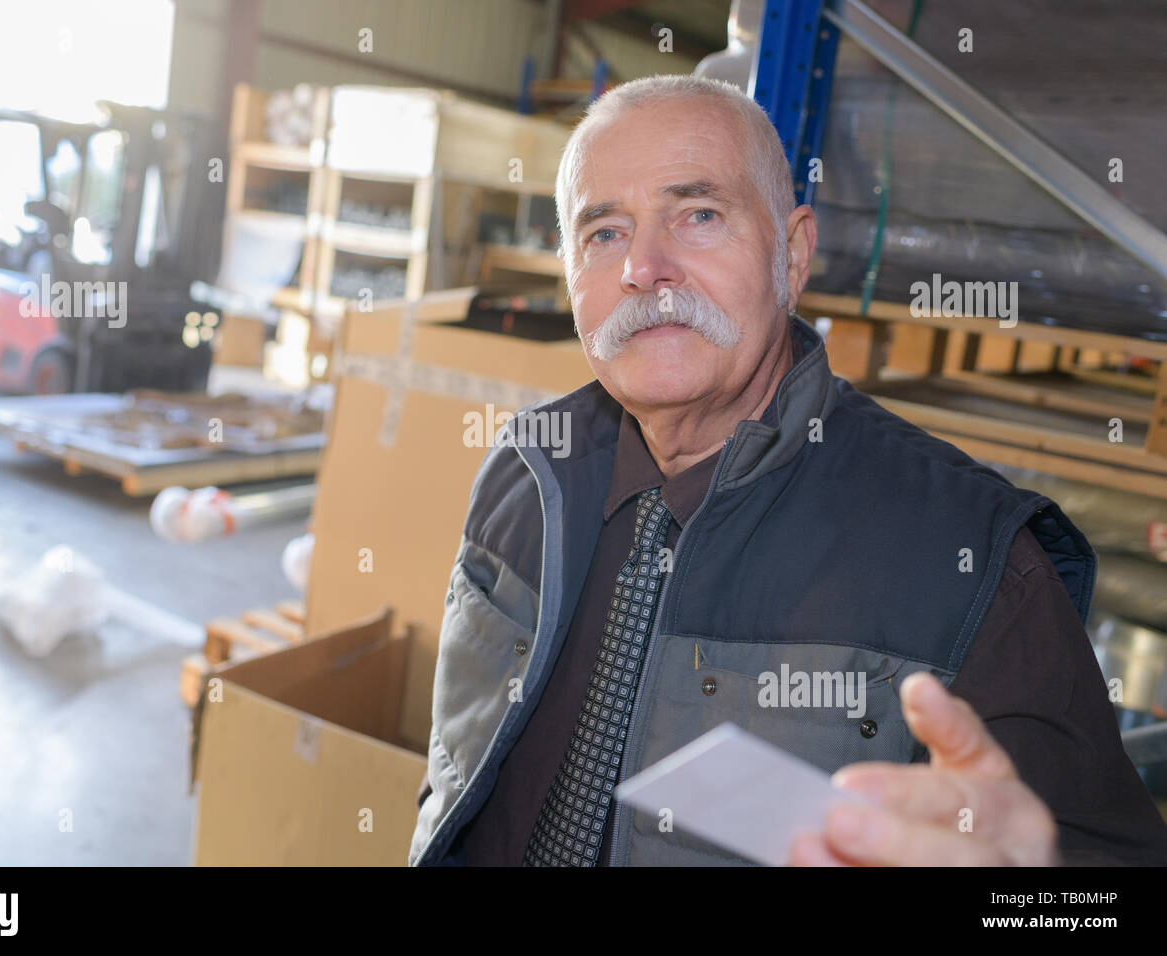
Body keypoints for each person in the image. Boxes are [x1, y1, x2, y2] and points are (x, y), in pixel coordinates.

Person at [409, 74, 1167, 866]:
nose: (644, 265)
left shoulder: (976, 564)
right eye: (603, 232)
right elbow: (455, 774)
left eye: (699, 215)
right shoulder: (524, 471)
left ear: (794, 253)